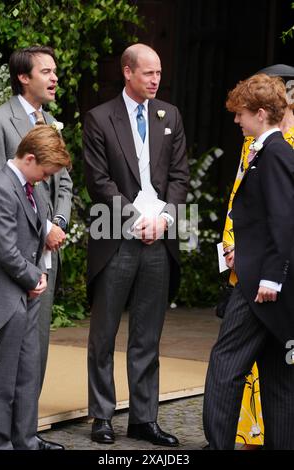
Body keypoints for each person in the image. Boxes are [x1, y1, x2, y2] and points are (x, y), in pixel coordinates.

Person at [83, 43, 189, 446]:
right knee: (104, 333)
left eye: (159, 73)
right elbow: (98, 181)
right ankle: (102, 416)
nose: (155, 79)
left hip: (158, 238)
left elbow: (180, 175)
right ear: (127, 72)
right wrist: (133, 220)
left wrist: (163, 220)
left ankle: (144, 419)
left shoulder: (170, 115)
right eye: (148, 73)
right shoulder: (99, 118)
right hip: (115, 236)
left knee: (148, 334)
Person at [203, 73, 294, 450]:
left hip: (260, 287)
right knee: (278, 380)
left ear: (260, 113)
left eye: (240, 114)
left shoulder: (273, 154)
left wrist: (270, 277)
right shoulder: (275, 152)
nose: (237, 121)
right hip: (269, 282)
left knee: (225, 368)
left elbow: (284, 219)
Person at [0, 46, 72, 439]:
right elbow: (3, 191)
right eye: (47, 71)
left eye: (55, 70)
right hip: (14, 256)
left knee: (35, 348)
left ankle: (28, 433)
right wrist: (42, 229)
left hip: (45, 253)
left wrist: (57, 222)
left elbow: (65, 182)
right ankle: (3, 434)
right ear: (24, 77)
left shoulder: (52, 121)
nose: (55, 77)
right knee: (6, 359)